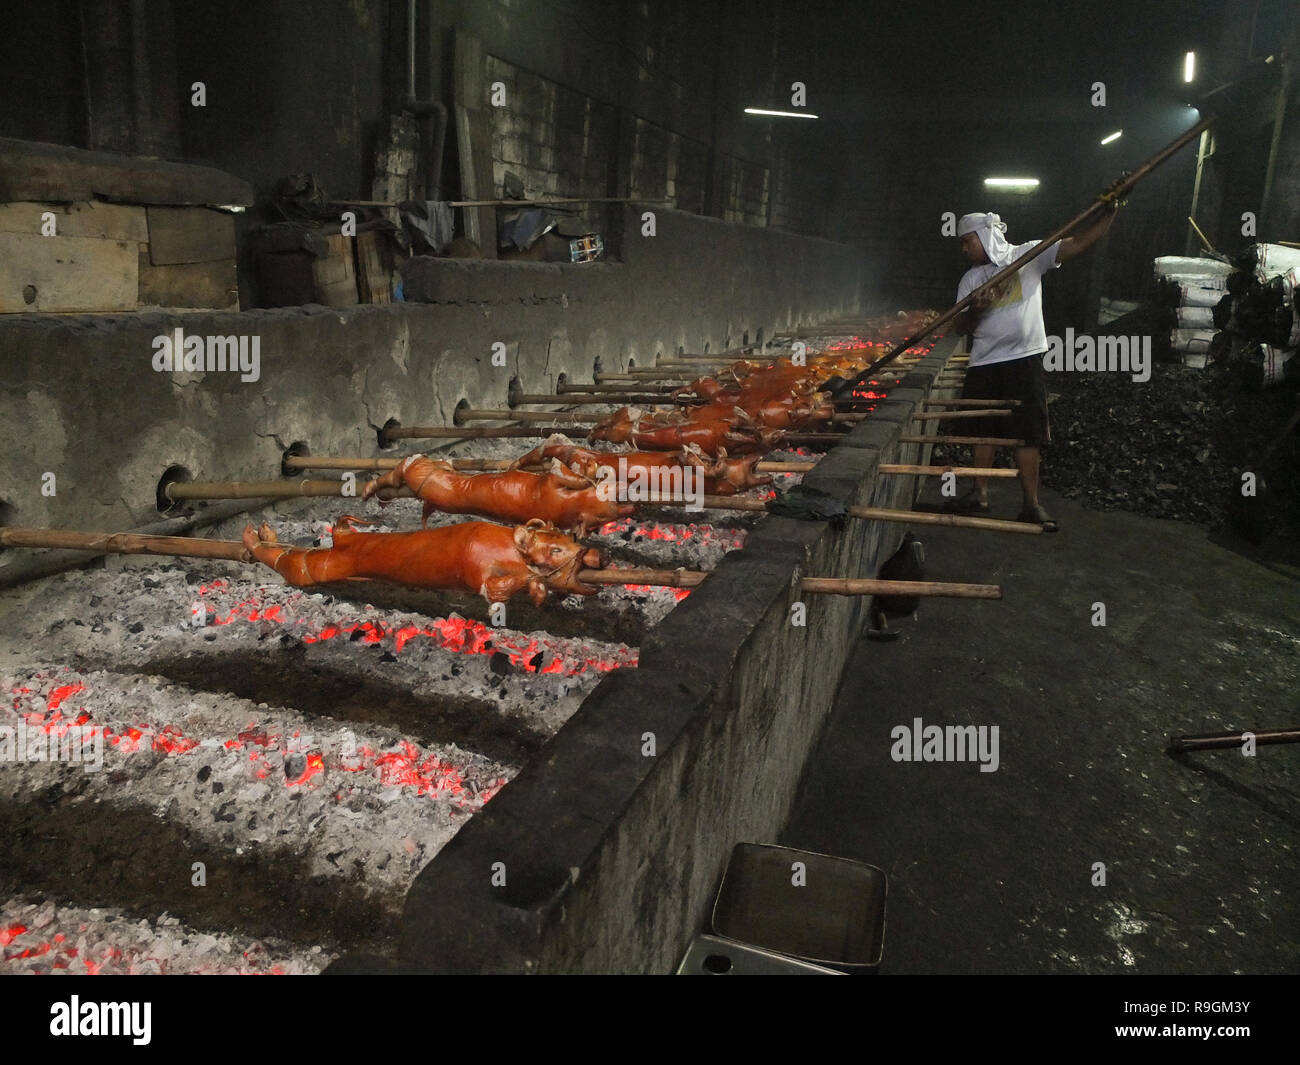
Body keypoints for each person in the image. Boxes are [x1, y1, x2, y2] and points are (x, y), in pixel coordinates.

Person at [947, 203, 1118, 530]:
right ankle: (979, 493)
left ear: (985, 235)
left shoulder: (1027, 256)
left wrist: (1111, 209)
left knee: (1028, 434)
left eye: (967, 240)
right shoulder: (970, 280)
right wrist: (976, 310)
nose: (964, 248)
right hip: (984, 361)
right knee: (983, 431)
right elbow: (960, 327)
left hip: (1024, 359)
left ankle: (1031, 504)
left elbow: (1079, 243)